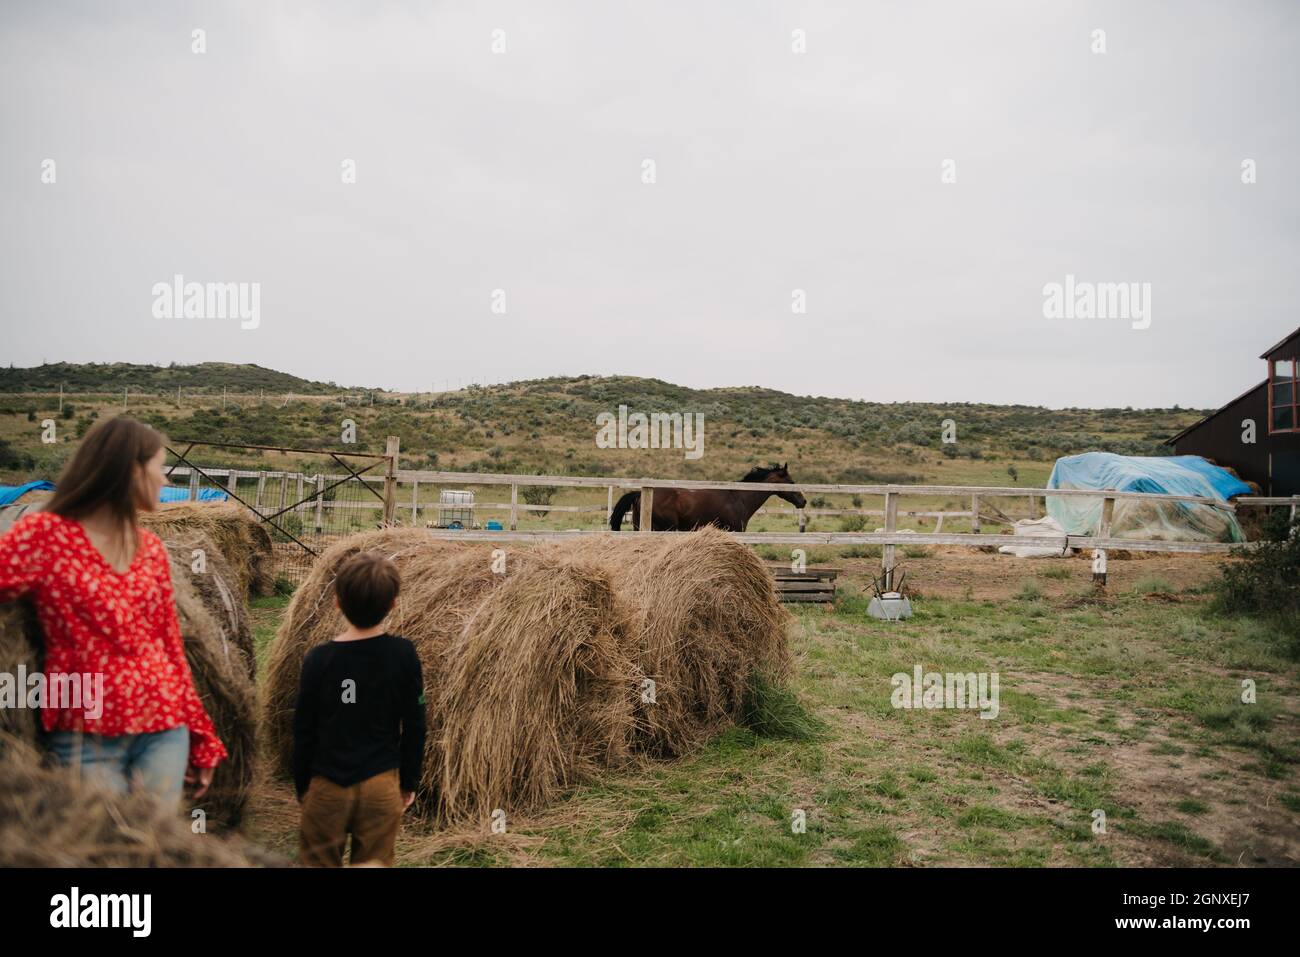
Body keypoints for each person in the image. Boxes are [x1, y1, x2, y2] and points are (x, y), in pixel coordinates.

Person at [0, 416, 227, 805]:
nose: (165, 482)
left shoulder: (150, 549)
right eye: (160, 469)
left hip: (164, 728)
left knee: (150, 850)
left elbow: (169, 647)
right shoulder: (43, 536)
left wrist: (202, 736)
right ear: (131, 470)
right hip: (86, 733)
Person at [294, 552, 426, 867]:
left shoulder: (318, 659)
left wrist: (304, 786)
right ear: (393, 603)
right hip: (380, 785)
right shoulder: (403, 654)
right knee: (375, 862)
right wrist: (408, 781)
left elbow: (302, 729)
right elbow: (415, 724)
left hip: (327, 784)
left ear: (337, 602)